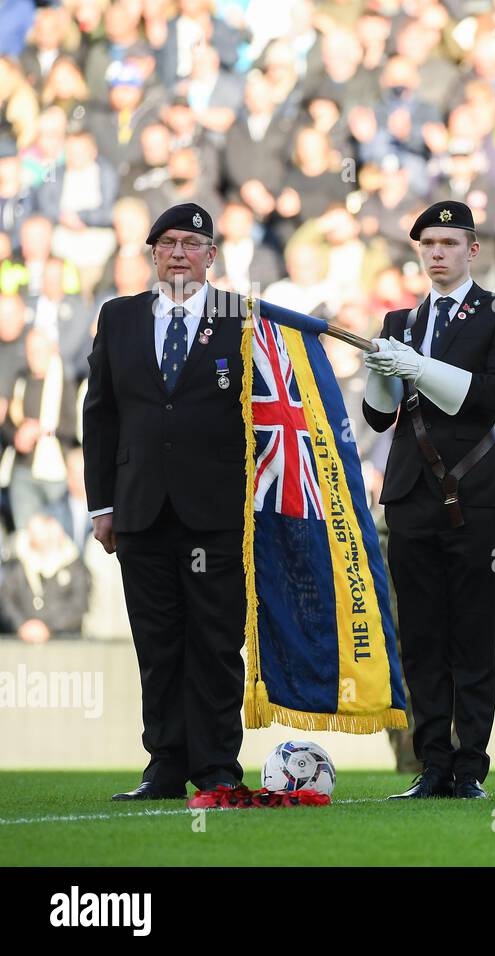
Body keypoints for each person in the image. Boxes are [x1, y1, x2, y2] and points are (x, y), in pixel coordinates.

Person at [82, 202, 249, 800]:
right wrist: (102, 506)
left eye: (192, 243)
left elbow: (267, 415)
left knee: (216, 643)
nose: (180, 252)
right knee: (157, 645)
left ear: (212, 255)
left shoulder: (243, 317)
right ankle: (165, 765)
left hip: (217, 511)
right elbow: (99, 415)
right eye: (169, 242)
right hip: (140, 508)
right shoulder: (119, 316)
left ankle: (217, 769)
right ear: (153, 252)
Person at [362, 200, 495, 800]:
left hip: (475, 492)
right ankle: (430, 763)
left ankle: (469, 767)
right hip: (409, 492)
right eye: (428, 244)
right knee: (421, 637)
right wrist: (381, 369)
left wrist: (418, 366)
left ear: (472, 250)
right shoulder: (399, 320)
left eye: (449, 243)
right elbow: (379, 418)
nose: (437, 253)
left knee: (473, 635)